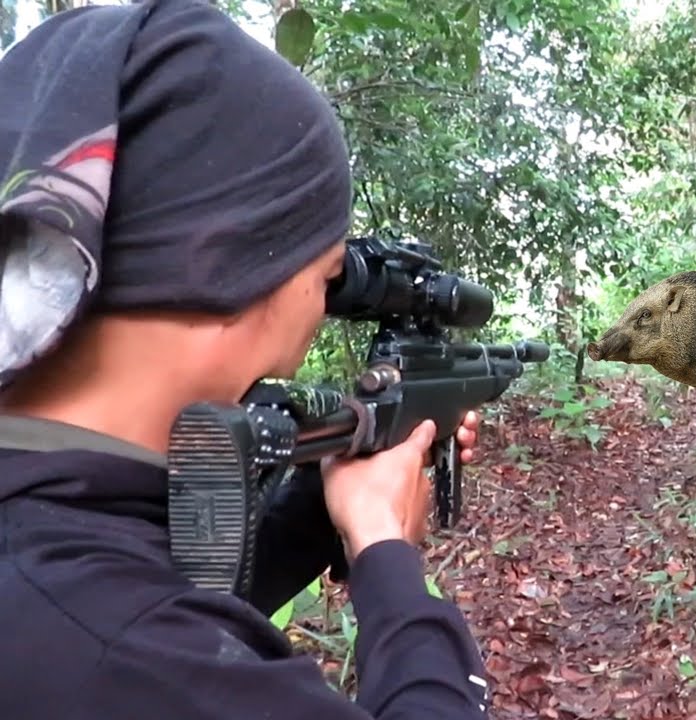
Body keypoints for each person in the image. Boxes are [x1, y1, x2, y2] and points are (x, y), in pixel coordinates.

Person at [0, 1, 493, 718]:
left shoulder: (62, 547)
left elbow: (180, 593)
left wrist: (325, 503)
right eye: (326, 272)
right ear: (232, 262)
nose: (326, 301)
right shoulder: (125, 654)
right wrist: (387, 552)